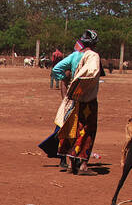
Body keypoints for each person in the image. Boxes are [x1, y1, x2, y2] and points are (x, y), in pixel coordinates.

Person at [41, 29, 103, 175]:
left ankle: (70, 164)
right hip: (87, 100)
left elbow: (57, 69)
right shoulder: (93, 56)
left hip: (74, 99)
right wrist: (79, 84)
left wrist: (68, 83)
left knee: (72, 128)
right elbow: (91, 72)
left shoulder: (76, 56)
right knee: (88, 130)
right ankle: (83, 166)